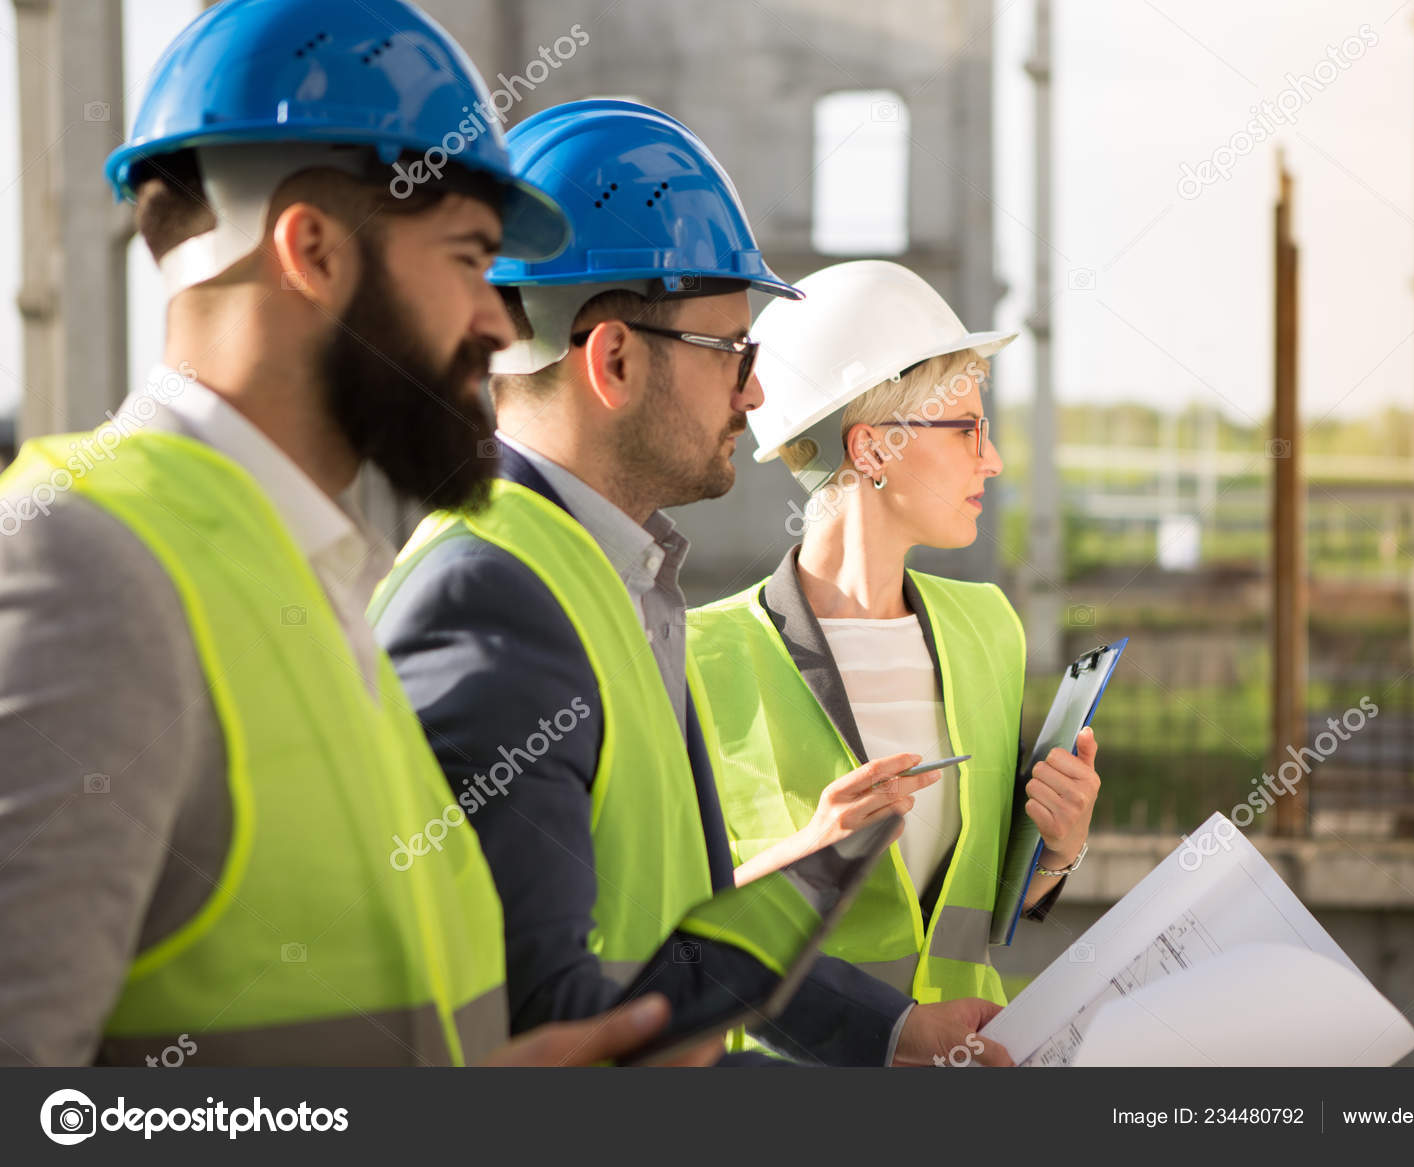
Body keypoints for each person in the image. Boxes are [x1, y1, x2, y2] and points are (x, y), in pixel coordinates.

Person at [0, 0, 710, 1068]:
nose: (495, 322)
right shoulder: (82, 569)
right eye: (469, 259)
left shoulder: (306, 578)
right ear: (314, 250)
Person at [370, 101, 1009, 1066]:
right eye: (735, 354)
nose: (755, 395)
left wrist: (894, 1034)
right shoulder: (487, 597)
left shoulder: (627, 583)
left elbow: (683, 939)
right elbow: (547, 1032)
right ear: (615, 358)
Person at [688, 260, 1103, 1006]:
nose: (995, 459)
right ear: (872, 448)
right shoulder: (698, 657)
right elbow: (664, 927)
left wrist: (1059, 850)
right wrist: (807, 853)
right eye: (969, 429)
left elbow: (977, 898)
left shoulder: (987, 628)